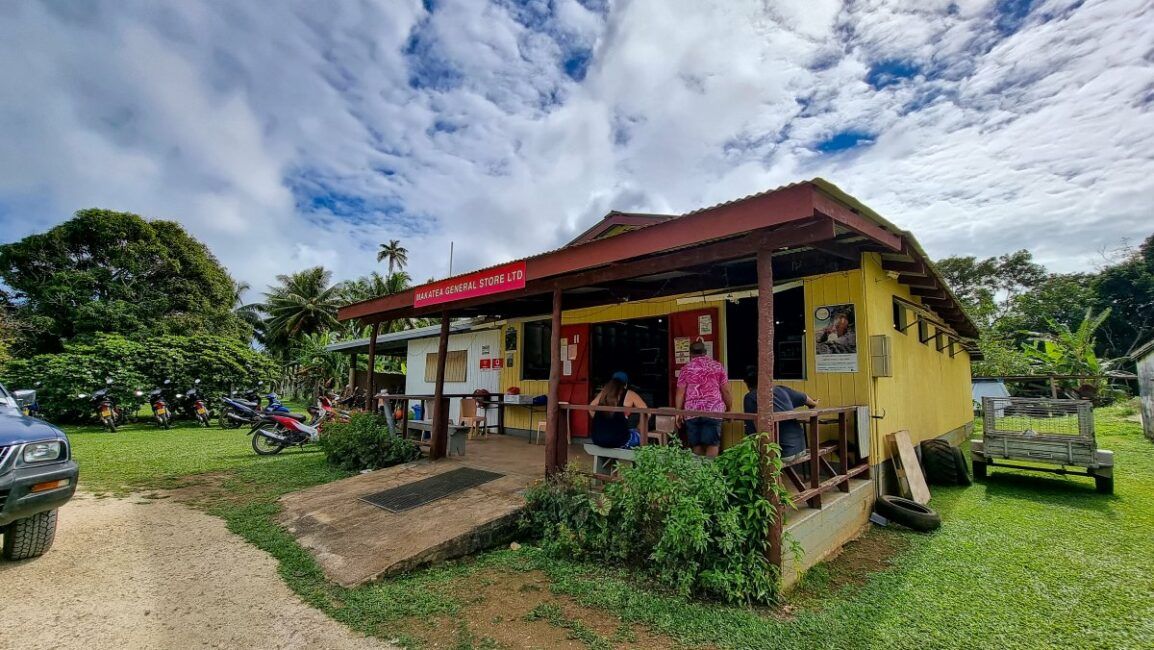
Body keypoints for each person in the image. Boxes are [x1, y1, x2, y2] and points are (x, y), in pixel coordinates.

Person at [741, 366, 818, 462]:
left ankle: (772, 477)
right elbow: (805, 398)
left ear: (746, 383)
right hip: (801, 448)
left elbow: (753, 432)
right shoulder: (781, 390)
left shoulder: (750, 397)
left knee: (746, 460)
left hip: (782, 452)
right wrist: (814, 404)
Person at [675, 340, 731, 457]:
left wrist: (678, 413)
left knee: (696, 444)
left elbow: (680, 393)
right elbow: (725, 390)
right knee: (713, 444)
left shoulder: (686, 369)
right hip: (713, 410)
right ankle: (710, 472)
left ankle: (698, 473)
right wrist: (729, 409)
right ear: (705, 352)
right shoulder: (717, 366)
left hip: (692, 411)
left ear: (690, 353)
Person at [589, 371, 647, 448]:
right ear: (625, 384)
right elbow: (646, 412)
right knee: (637, 434)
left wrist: (604, 422)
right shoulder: (630, 394)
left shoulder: (603, 394)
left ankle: (610, 460)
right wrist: (639, 428)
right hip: (619, 440)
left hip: (597, 439)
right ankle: (637, 460)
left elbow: (591, 408)